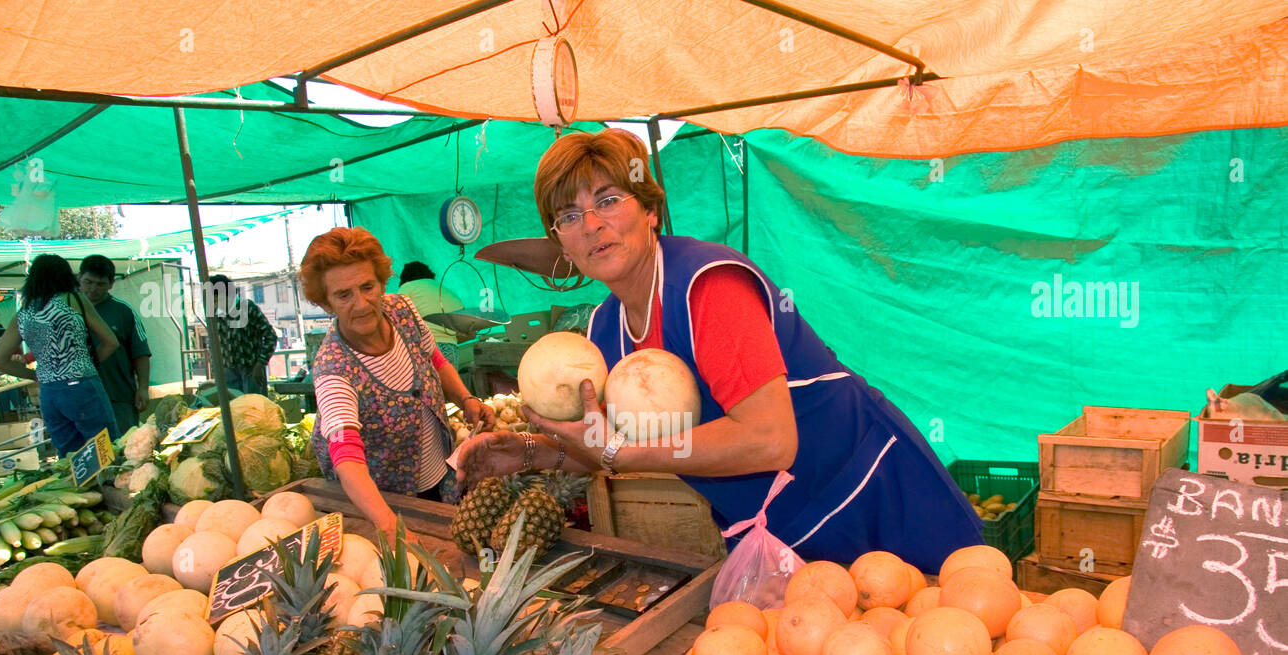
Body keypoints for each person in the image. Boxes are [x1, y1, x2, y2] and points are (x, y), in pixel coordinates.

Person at [455, 129, 983, 574]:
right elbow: (608, 442)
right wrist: (530, 450)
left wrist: (625, 454)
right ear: (561, 242)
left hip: (872, 501)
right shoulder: (605, 330)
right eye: (569, 216)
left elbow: (769, 440)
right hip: (776, 534)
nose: (591, 225)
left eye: (609, 201)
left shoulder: (707, 287)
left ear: (650, 211)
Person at [299, 228, 496, 541]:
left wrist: (466, 399)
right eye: (343, 295)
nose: (362, 303)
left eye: (368, 287)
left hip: (438, 473)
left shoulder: (402, 310)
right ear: (326, 303)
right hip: (384, 502)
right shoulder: (333, 368)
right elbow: (345, 455)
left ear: (381, 282)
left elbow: (435, 360)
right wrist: (389, 525)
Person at [0, 255, 119, 456]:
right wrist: (86, 365)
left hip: (49, 393)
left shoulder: (24, 314)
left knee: (69, 458)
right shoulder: (73, 299)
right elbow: (111, 342)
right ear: (66, 276)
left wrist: (36, 376)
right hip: (81, 385)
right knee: (105, 451)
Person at [78, 254, 152, 434]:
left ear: (111, 284)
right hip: (79, 398)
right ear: (79, 279)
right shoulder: (66, 310)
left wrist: (143, 388)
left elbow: (141, 353)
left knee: (123, 451)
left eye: (100, 284)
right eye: (88, 282)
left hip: (119, 398)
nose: (93, 289)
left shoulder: (123, 312)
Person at [208, 274, 277, 396]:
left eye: (216, 300)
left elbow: (270, 337)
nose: (215, 304)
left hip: (251, 370)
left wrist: (260, 364)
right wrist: (215, 369)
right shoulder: (214, 315)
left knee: (255, 408)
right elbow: (212, 343)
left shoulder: (248, 308)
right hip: (227, 372)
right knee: (234, 409)